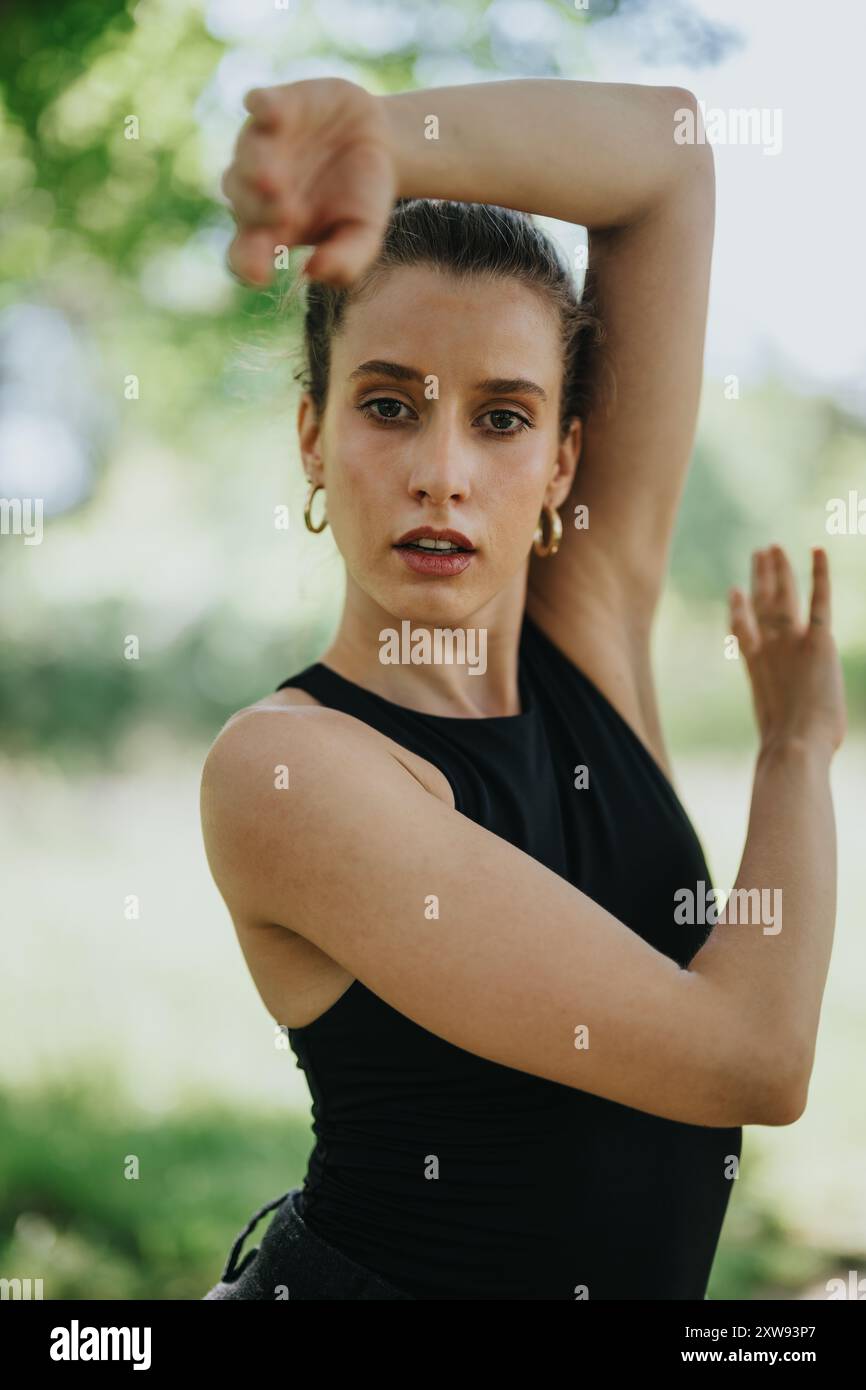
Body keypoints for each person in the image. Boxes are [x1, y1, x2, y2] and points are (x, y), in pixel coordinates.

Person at [199, 77, 845, 1300]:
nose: (442, 472)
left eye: (500, 417)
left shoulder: (589, 628)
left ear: (561, 463)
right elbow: (754, 1060)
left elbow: (664, 158)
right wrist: (793, 752)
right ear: (310, 439)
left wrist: (385, 137)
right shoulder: (285, 770)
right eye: (388, 405)